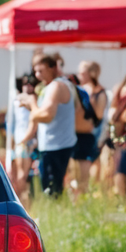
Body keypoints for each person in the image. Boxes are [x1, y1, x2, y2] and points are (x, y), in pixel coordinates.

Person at [20, 54, 77, 198]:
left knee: (52, 191)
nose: (37, 75)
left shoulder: (56, 86)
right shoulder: (49, 86)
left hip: (57, 145)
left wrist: (32, 103)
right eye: (35, 71)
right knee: (49, 188)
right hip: (51, 145)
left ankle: (59, 210)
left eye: (41, 70)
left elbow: (47, 116)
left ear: (52, 68)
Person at [76, 60, 109, 188]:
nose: (79, 75)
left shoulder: (99, 93)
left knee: (90, 169)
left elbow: (98, 117)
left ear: (91, 74)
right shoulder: (80, 90)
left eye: (82, 73)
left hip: (92, 135)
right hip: (79, 134)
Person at [8, 74, 37, 206]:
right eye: (25, 83)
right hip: (21, 141)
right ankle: (22, 201)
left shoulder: (35, 101)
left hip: (30, 142)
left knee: (26, 175)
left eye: (30, 84)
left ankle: (24, 201)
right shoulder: (16, 101)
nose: (27, 86)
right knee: (20, 174)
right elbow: (12, 124)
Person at [110, 72, 126, 202]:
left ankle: (123, 200)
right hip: (123, 134)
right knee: (120, 167)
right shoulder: (122, 89)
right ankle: (123, 200)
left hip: (122, 133)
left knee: (121, 167)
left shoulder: (121, 88)